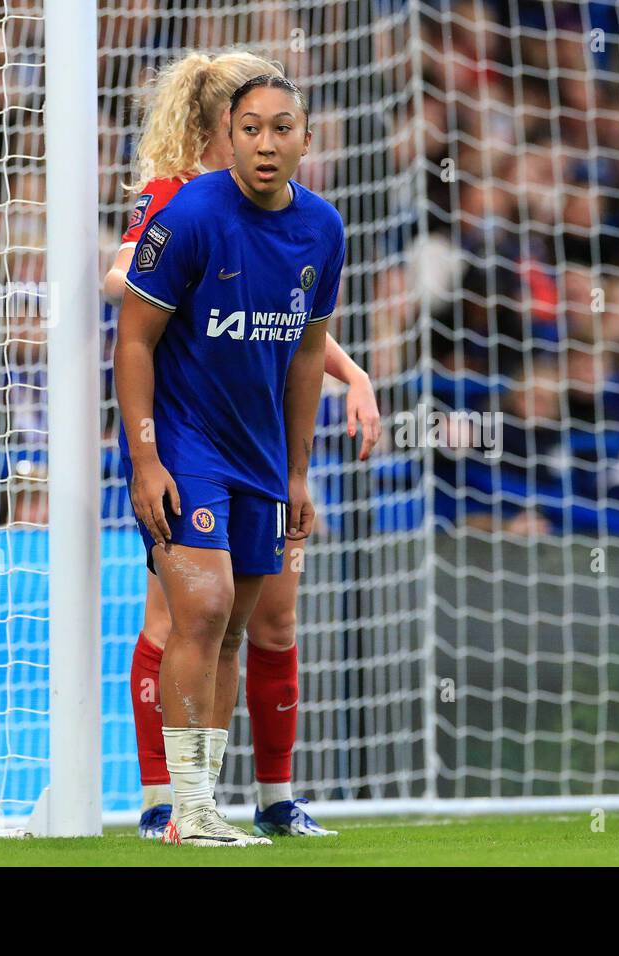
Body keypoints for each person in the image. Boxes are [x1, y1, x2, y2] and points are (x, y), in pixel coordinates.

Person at [104, 51, 379, 840]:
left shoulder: (321, 227)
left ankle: (244, 801)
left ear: (305, 136)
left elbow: (298, 340)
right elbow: (128, 305)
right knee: (195, 611)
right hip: (182, 435)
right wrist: (146, 455)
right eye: (250, 126)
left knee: (248, 622)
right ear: (225, 130)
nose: (264, 141)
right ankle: (174, 803)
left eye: (280, 128)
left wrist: (306, 456)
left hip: (260, 448)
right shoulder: (181, 208)